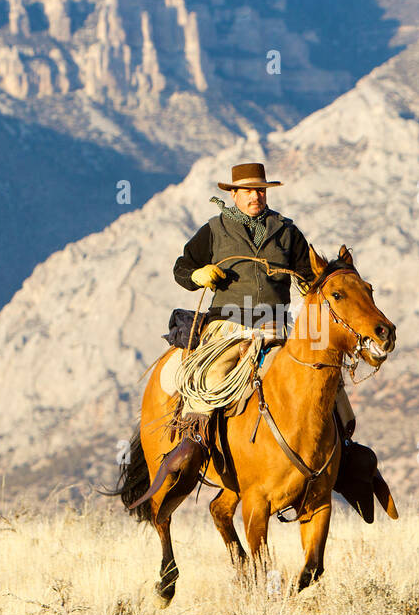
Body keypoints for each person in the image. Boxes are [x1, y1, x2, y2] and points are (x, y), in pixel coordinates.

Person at [154, 161, 385, 521]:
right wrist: (198, 274)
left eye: (261, 190)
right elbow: (181, 268)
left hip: (277, 326)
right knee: (212, 380)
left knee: (327, 383)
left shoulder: (287, 231)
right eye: (248, 190)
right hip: (228, 328)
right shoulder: (215, 230)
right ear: (233, 194)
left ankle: (345, 451)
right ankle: (194, 447)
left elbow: (311, 278)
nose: (256, 196)